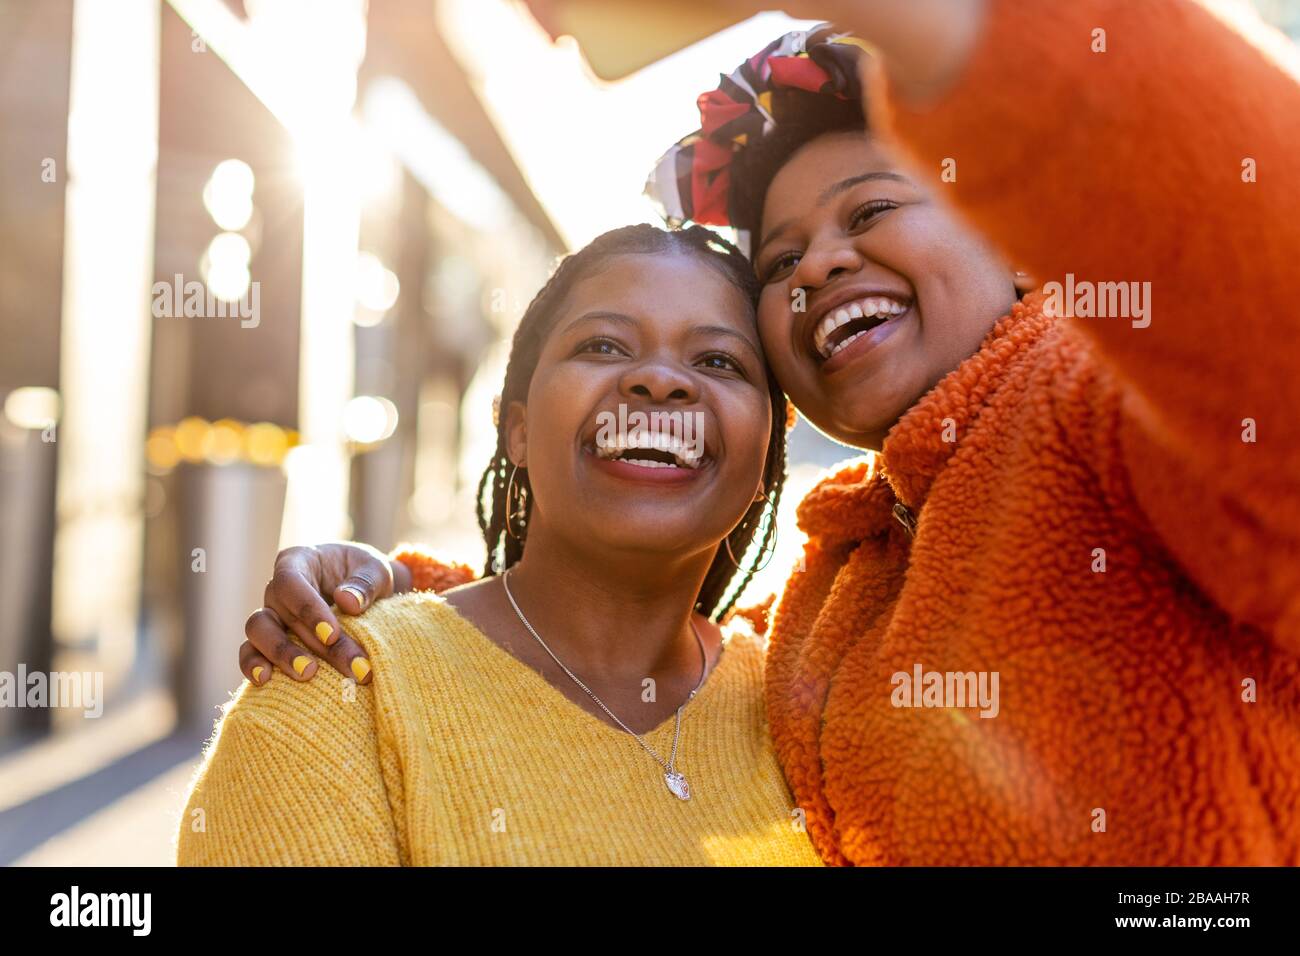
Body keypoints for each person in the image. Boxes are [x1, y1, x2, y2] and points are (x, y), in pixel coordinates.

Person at [237, 0, 1300, 865]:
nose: (820, 264)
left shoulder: (1104, 403)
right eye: (780, 261)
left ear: (1013, 235)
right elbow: (658, 681)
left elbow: (1257, 287)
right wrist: (423, 601)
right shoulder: (842, 580)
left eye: (870, 212)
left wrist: (945, 26)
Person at [176, 225, 822, 865]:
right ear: (517, 429)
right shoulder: (337, 688)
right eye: (603, 345)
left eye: (717, 361)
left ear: (766, 459)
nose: (658, 380)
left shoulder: (810, 713)